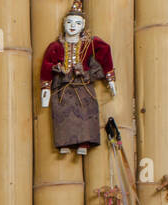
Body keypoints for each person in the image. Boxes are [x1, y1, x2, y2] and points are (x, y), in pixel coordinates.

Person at [39, 0, 115, 154]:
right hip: (62, 86)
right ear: (64, 24)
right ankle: (64, 143)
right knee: (62, 113)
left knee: (86, 112)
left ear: (83, 25)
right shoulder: (56, 46)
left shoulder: (90, 44)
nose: (72, 26)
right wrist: (45, 88)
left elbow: (105, 52)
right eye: (69, 22)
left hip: (83, 86)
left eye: (77, 23)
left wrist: (110, 77)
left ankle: (84, 144)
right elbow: (47, 64)